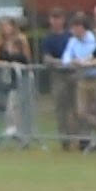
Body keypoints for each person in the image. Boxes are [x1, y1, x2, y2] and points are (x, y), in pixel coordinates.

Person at [62, 13, 96, 150]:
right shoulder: (72, 41)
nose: (73, 31)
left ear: (82, 28)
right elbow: (65, 59)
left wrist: (86, 62)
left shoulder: (95, 40)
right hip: (82, 80)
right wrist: (73, 61)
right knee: (81, 112)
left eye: (75, 28)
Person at [40, 8, 76, 150]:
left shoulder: (70, 36)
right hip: (58, 75)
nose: (56, 21)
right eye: (53, 18)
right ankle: (64, 139)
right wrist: (59, 62)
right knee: (61, 108)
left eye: (58, 18)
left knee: (75, 108)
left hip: (73, 74)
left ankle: (78, 137)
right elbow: (46, 57)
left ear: (63, 20)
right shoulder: (48, 38)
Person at [0, 17, 31, 143]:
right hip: (5, 75)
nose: (6, 29)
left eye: (8, 26)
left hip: (20, 76)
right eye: (3, 26)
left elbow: (27, 58)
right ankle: (13, 129)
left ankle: (18, 131)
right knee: (5, 104)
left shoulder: (21, 39)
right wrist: (4, 64)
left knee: (15, 104)